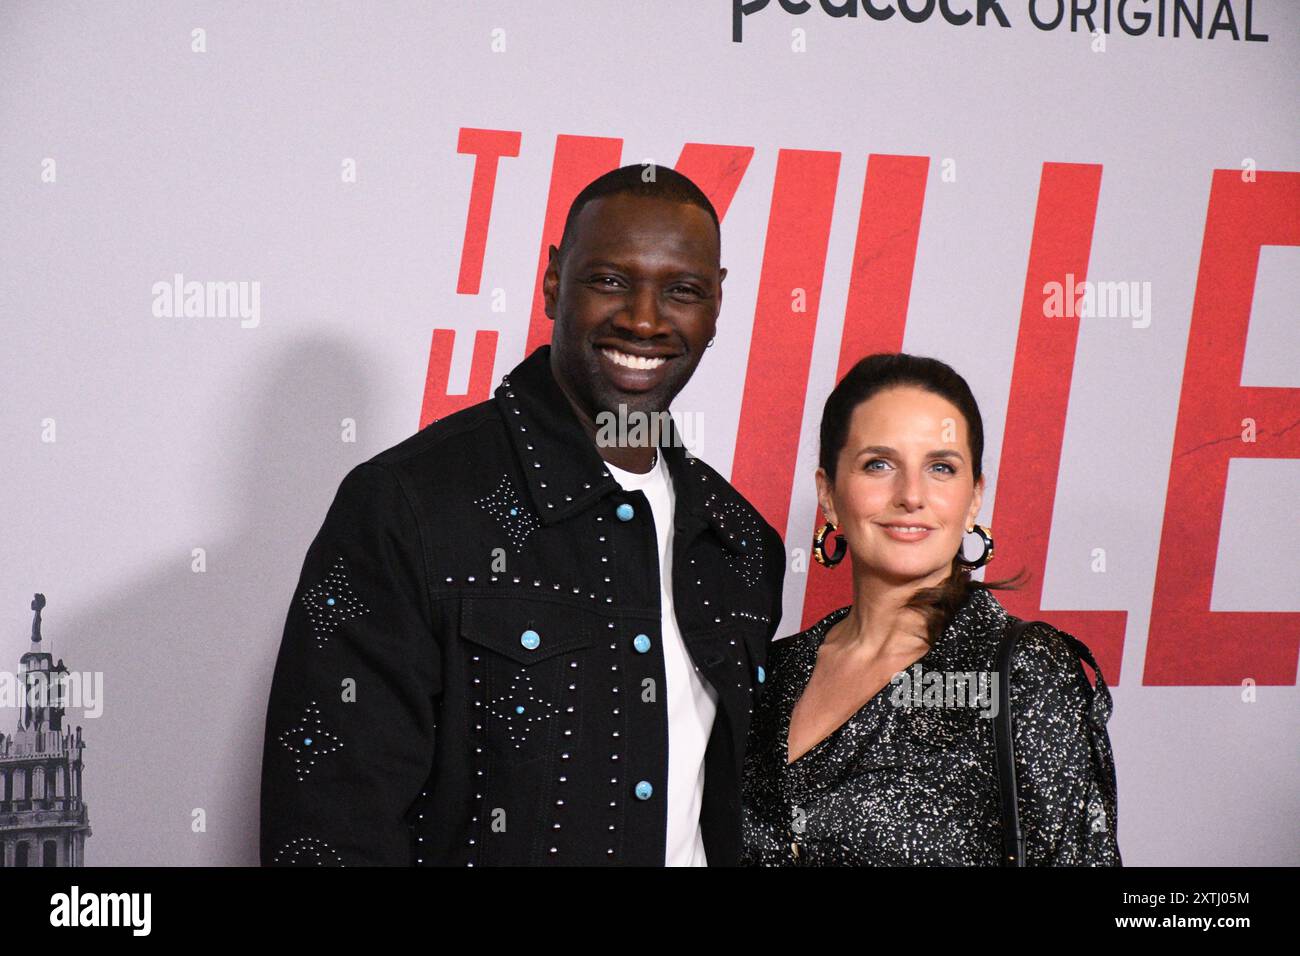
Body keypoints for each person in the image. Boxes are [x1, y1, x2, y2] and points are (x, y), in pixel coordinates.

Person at [260, 163, 786, 866]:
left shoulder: (739, 542)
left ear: (717, 304)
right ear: (551, 281)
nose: (644, 319)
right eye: (609, 281)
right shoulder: (407, 506)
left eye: (682, 291)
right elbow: (326, 831)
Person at [741, 353, 1121, 865]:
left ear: (973, 500)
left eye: (941, 468)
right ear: (828, 494)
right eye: (879, 464)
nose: (912, 495)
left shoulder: (1021, 670)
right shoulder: (776, 672)